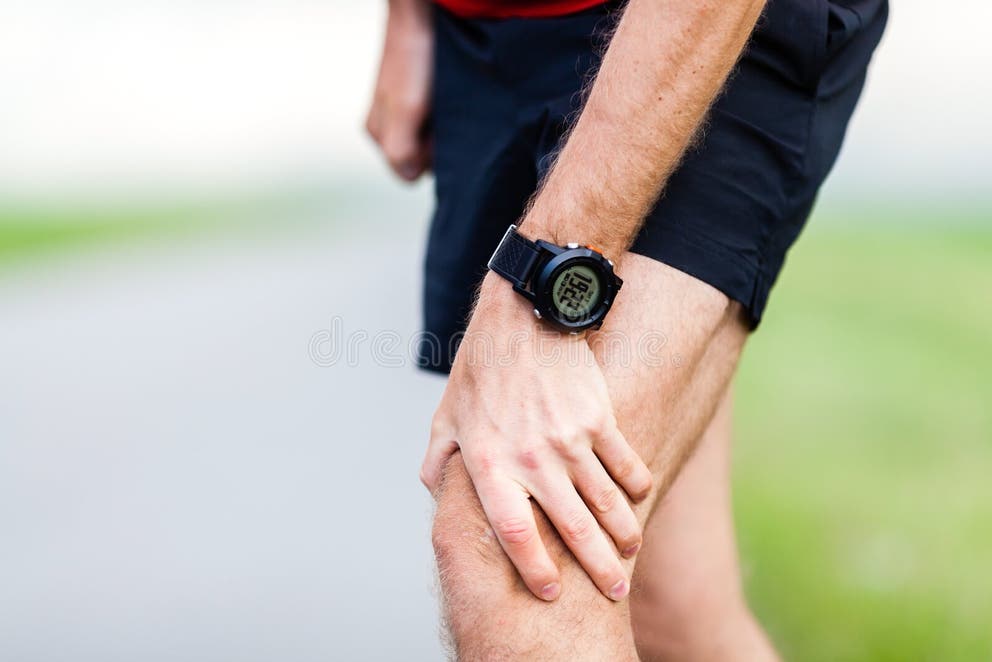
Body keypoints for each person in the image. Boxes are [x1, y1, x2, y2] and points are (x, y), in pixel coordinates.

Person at [366, 0, 886, 658]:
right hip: (488, 35)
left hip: (691, 21)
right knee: (673, 611)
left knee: (521, 547)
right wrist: (409, 17)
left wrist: (542, 280)